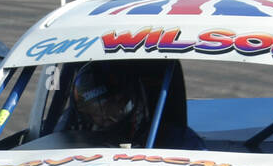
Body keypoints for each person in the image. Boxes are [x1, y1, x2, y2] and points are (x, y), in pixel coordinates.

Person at [70, 60, 204, 150]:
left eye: (111, 108)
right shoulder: (71, 142)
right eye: (94, 112)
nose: (103, 118)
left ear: (128, 99)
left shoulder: (178, 140)